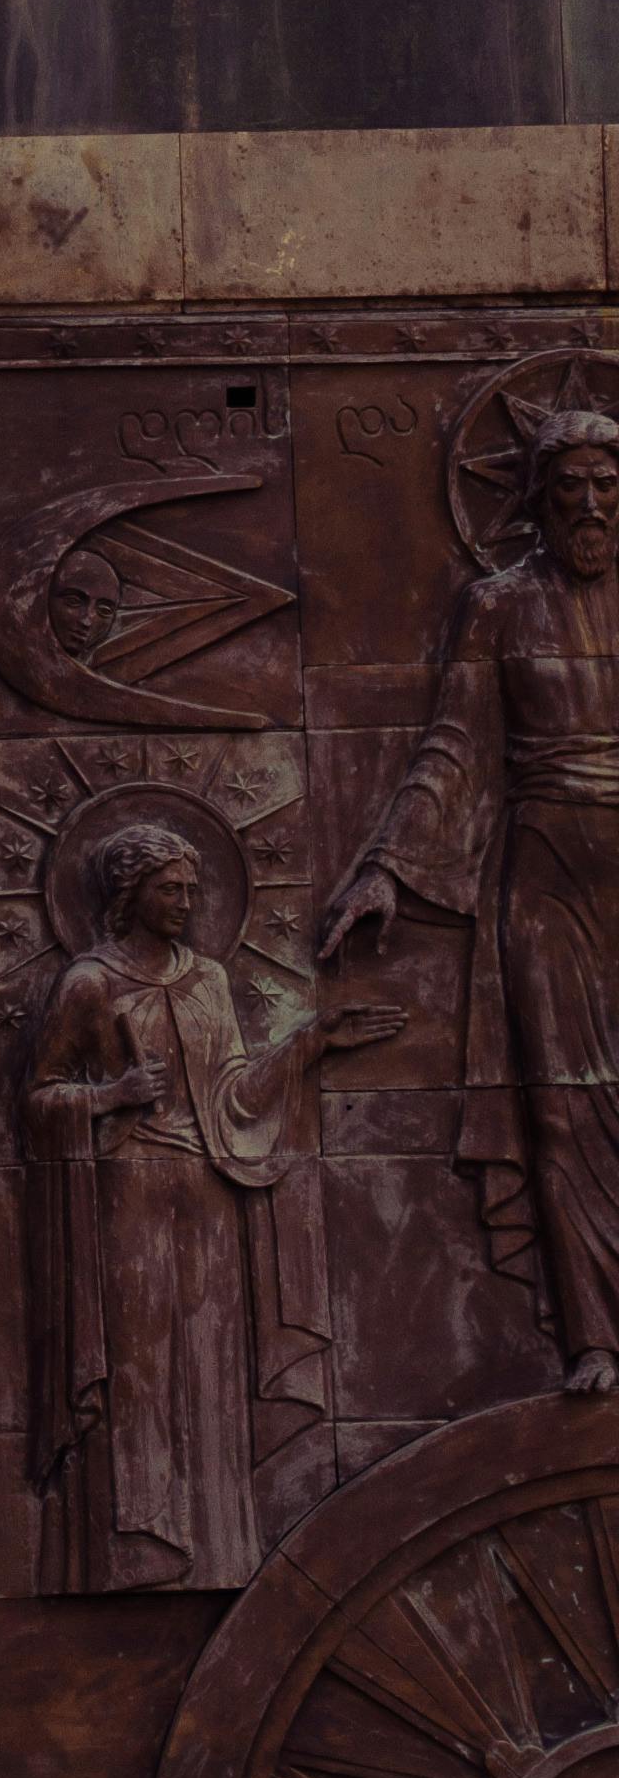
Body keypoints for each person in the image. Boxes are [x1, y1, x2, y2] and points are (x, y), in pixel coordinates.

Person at [323, 403, 619, 1389]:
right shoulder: (498, 604)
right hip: (546, 872)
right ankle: (594, 1340)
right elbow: (453, 742)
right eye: (570, 483)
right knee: (565, 1104)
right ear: (536, 496)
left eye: (606, 483)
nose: (590, 503)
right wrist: (387, 863)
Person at [26, 817, 394, 1593]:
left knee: (208, 1362)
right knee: (142, 1368)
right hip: (129, 1194)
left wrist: (307, 1043)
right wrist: (109, 1097)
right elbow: (40, 1098)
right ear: (130, 893)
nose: (186, 902)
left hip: (204, 1193)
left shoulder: (208, 980)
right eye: (170, 888)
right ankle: (139, 1546)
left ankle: (218, 1549)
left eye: (192, 889)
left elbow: (231, 1092)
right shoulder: (88, 983)